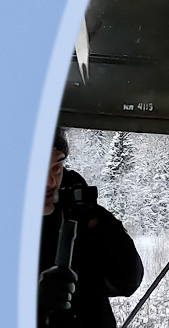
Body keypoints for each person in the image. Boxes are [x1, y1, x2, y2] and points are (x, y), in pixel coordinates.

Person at [38, 130, 144, 328]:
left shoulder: (81, 215)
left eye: (57, 168)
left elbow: (128, 281)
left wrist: (101, 224)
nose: (51, 182)